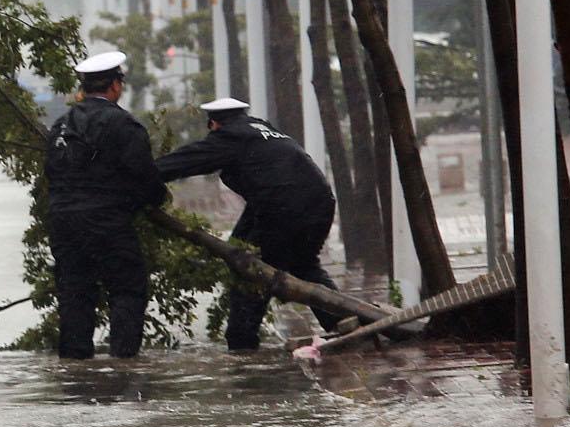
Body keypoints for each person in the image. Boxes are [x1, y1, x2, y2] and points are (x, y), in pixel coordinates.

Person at [155, 97, 344, 348]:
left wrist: (144, 174)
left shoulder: (231, 136)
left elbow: (185, 161)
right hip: (318, 204)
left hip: (284, 209)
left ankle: (243, 347)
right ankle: (342, 322)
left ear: (214, 124)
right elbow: (259, 207)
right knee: (303, 265)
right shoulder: (265, 130)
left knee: (250, 273)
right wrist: (236, 246)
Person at [43, 50, 170, 359]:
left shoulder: (60, 125)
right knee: (127, 288)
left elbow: (51, 173)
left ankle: (75, 372)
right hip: (106, 221)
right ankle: (124, 366)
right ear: (115, 86)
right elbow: (145, 177)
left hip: (62, 222)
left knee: (74, 293)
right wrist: (154, 202)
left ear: (83, 88)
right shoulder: (123, 124)